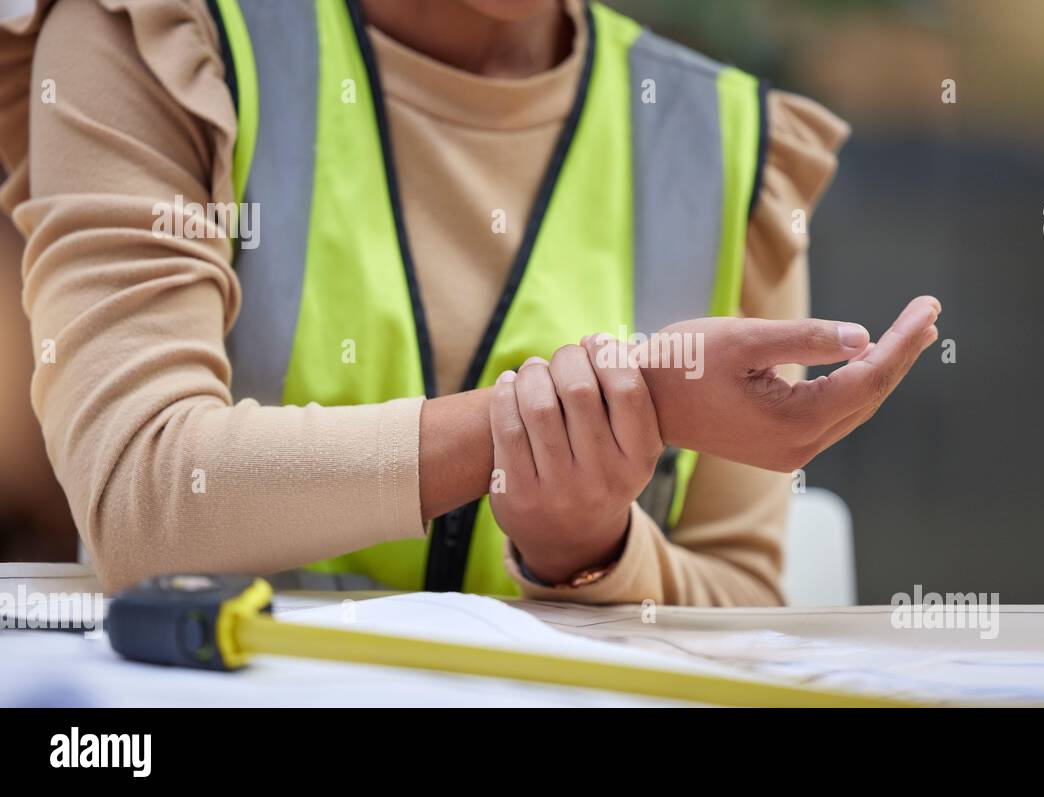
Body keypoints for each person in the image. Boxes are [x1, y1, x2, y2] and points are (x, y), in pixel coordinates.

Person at [0, 0, 939, 603]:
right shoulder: (163, 40)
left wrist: (586, 549)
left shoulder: (722, 137)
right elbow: (140, 493)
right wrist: (558, 420)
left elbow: (740, 605)